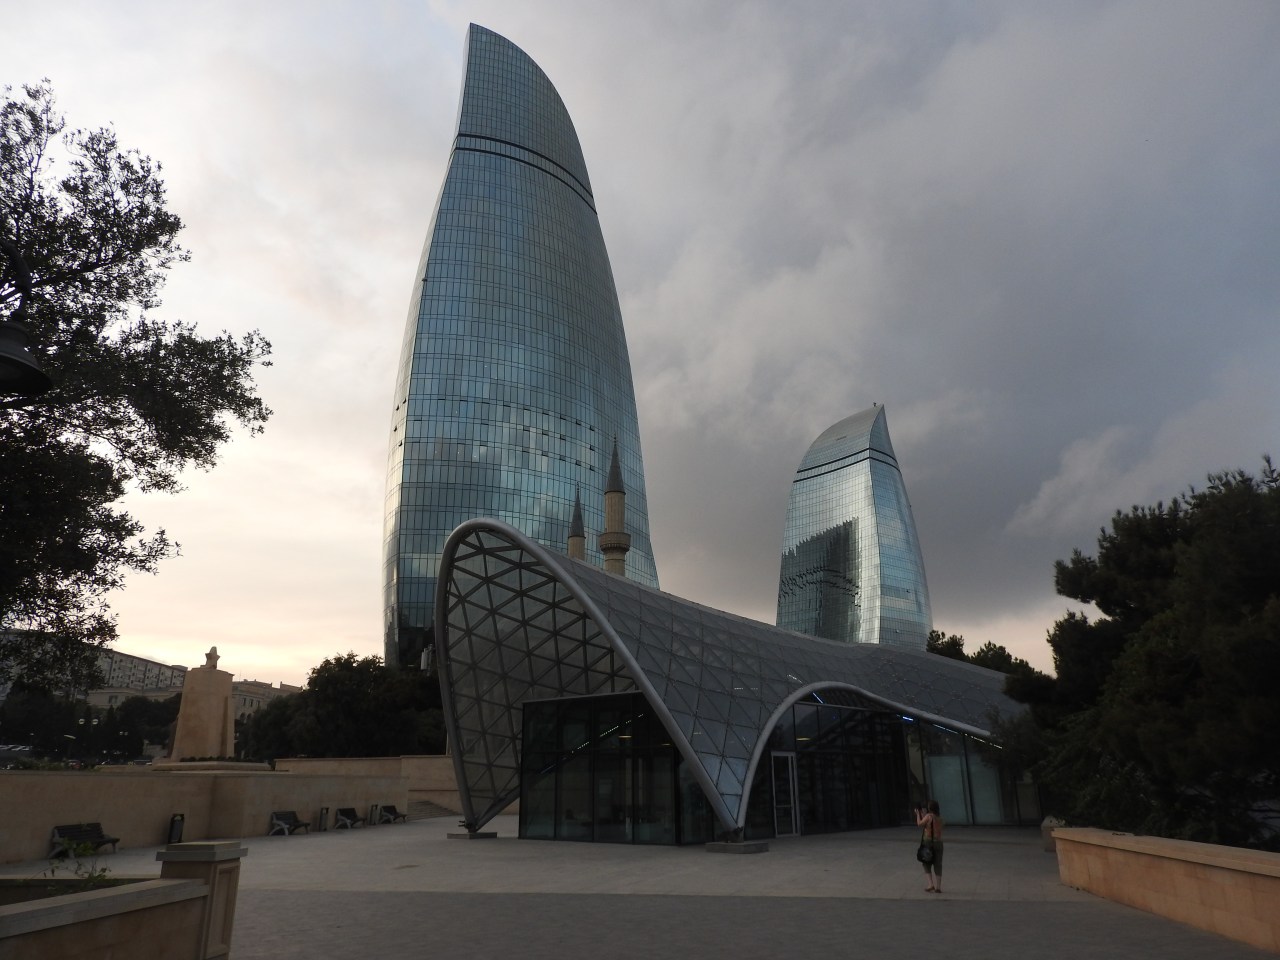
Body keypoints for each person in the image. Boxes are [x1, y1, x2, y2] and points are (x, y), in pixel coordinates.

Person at [915, 800, 944, 892]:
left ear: (930, 808)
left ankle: (931, 884)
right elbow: (932, 826)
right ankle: (938, 887)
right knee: (938, 864)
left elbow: (920, 824)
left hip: (928, 842)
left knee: (926, 863)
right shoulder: (940, 818)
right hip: (939, 843)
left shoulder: (928, 816)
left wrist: (918, 815)